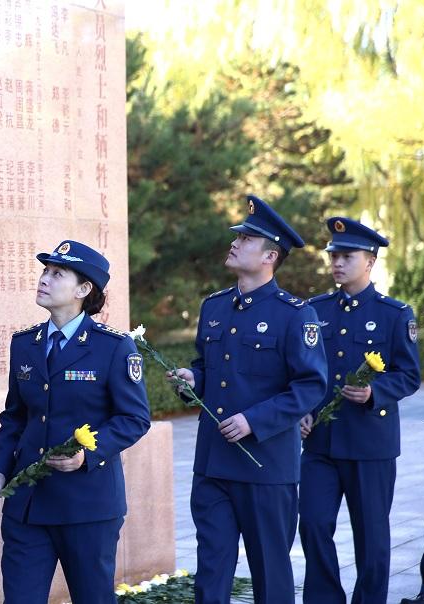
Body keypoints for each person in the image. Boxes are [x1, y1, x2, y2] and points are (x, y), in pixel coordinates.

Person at [168, 195, 328, 604]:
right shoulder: (215, 307)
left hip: (266, 467)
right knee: (211, 572)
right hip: (213, 466)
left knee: (271, 575)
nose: (236, 242)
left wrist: (255, 420)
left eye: (247, 238)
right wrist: (192, 379)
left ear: (270, 255)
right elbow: (208, 367)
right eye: (237, 235)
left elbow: (311, 386)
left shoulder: (295, 314)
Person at [0, 240, 151, 604]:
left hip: (87, 507)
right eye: (45, 271)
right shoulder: (25, 344)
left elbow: (134, 418)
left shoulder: (113, 347)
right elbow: (15, 417)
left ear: (84, 290)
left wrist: (87, 454)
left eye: (58, 274)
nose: (45, 279)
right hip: (27, 505)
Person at [299, 217, 421, 603]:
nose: (336, 262)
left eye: (346, 256)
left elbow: (409, 375)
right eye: (333, 255)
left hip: (371, 443)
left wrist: (374, 393)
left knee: (371, 535)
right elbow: (303, 371)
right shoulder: (314, 310)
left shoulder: (394, 314)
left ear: (369, 261)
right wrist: (301, 409)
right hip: (320, 443)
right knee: (314, 525)